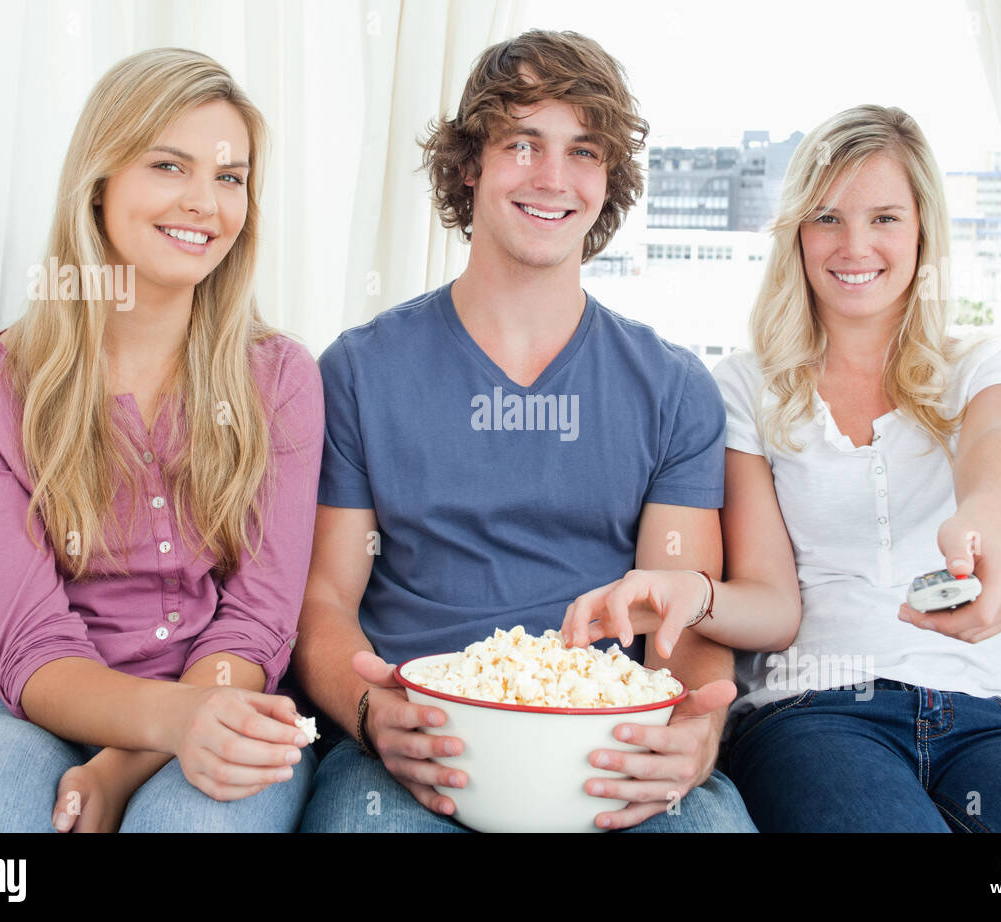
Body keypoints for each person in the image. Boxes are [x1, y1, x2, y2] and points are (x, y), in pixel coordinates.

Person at [563, 104, 1001, 832]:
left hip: (991, 715)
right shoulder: (748, 388)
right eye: (828, 218)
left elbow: (999, 437)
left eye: (884, 219)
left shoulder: (991, 362)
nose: (855, 245)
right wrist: (689, 589)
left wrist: (979, 527)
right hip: (814, 713)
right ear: (798, 234)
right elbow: (773, 607)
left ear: (922, 230)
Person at [294, 29, 754, 833]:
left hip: (614, 755)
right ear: (470, 162)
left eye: (583, 151)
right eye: (522, 142)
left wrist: (697, 733)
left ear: (608, 179)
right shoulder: (360, 373)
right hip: (423, 752)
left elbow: (681, 618)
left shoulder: (674, 388)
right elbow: (327, 598)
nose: (552, 178)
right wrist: (370, 714)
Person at [0, 48, 323, 833]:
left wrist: (124, 768)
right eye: (169, 165)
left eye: (229, 177)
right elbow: (30, 645)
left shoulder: (282, 379)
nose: (204, 202)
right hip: (32, 714)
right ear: (99, 184)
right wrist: (157, 727)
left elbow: (257, 624)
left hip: (225, 705)